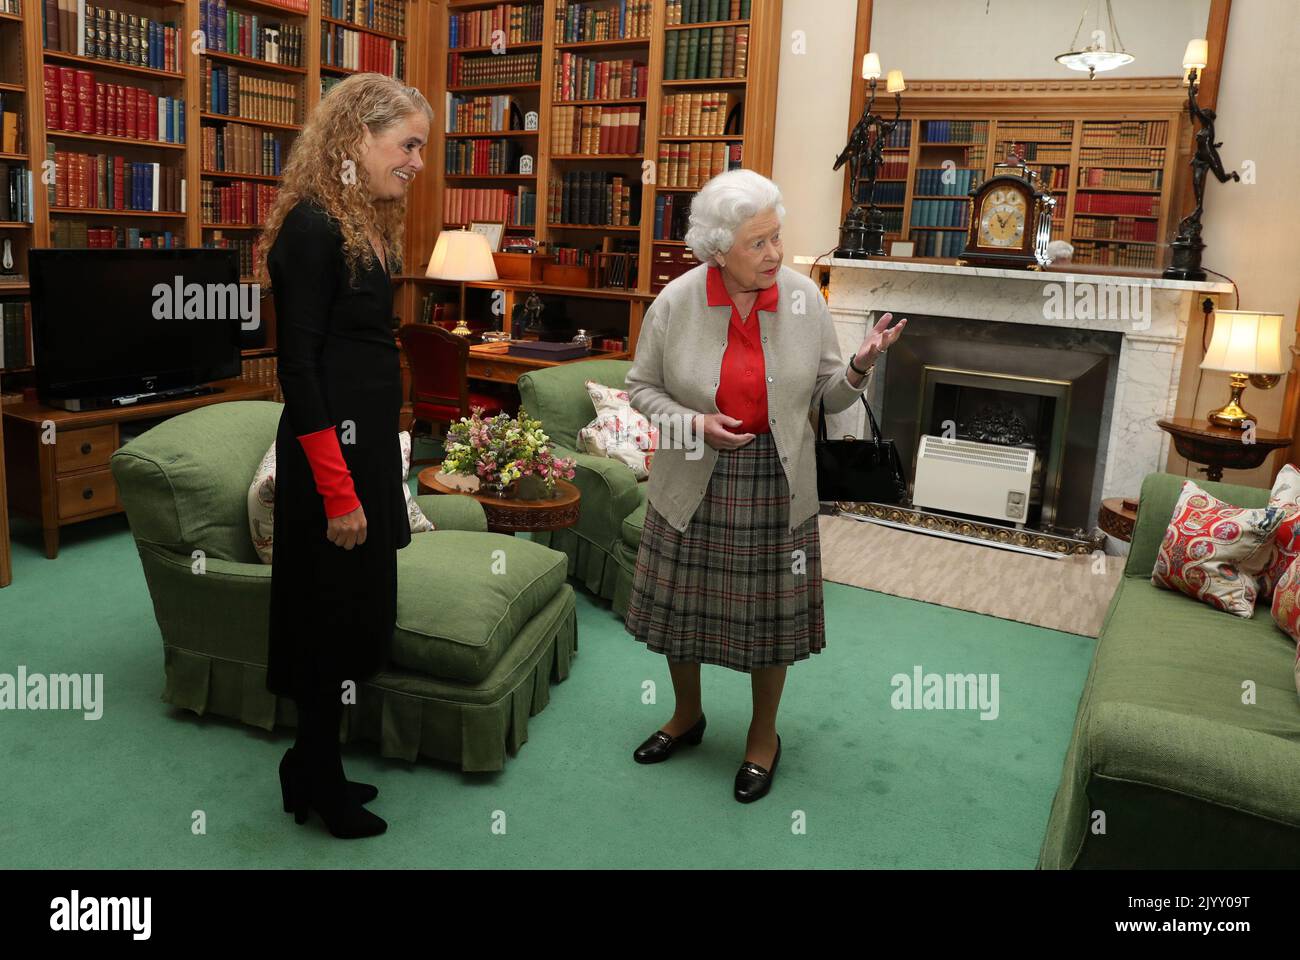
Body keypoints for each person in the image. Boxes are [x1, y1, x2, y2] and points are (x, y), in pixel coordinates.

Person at [624, 169, 907, 803]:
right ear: (719, 250)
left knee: (770, 620)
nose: (776, 253)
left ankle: (762, 735)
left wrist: (861, 364)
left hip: (777, 479)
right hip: (693, 470)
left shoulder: (804, 298)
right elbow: (641, 390)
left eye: (777, 237)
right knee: (682, 611)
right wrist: (694, 422)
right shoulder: (677, 300)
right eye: (759, 243)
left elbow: (830, 397)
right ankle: (687, 716)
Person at [255, 73, 431, 838]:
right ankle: (315, 776)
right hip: (330, 469)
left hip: (361, 460)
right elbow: (299, 371)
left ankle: (312, 762)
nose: (418, 162)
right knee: (325, 621)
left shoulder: (361, 225)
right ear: (359, 136)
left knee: (353, 616)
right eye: (409, 144)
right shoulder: (312, 228)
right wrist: (338, 492)